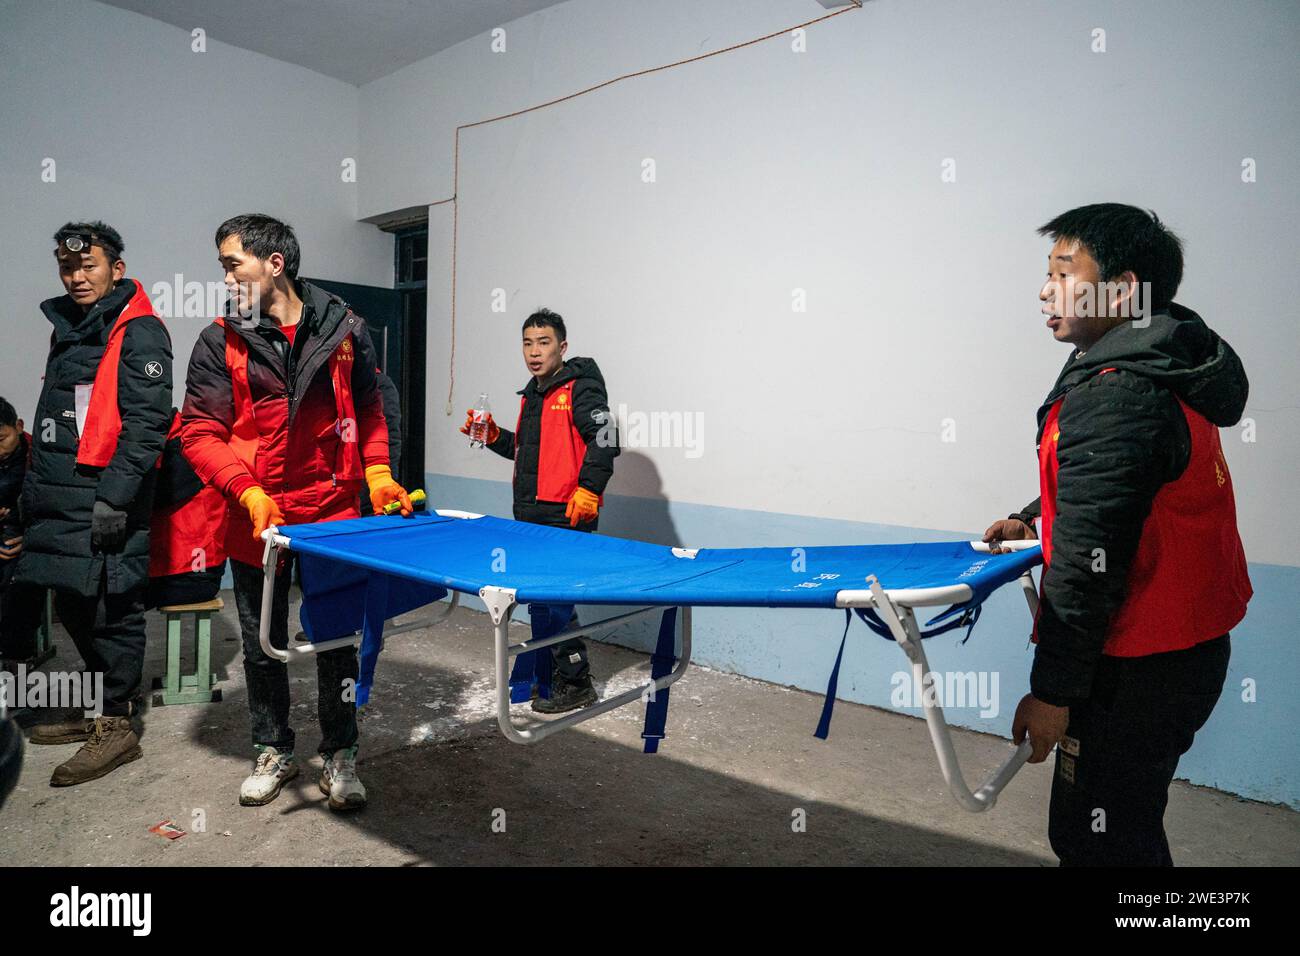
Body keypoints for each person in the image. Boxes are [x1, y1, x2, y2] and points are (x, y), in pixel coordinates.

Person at [984, 203, 1251, 865]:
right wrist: (1033, 514)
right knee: (1122, 830)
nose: (1045, 289)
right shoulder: (1163, 357)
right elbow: (1120, 482)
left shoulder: (1117, 389)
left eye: (1064, 272)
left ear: (1123, 289)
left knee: (1097, 839)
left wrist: (1053, 694)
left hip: (1137, 669)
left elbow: (1086, 568)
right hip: (1185, 652)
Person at [181, 214, 410, 810]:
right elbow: (199, 433)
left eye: (233, 264)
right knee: (263, 644)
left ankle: (340, 754)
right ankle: (274, 748)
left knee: (337, 639)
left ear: (274, 264)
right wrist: (247, 489)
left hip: (333, 515)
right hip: (255, 517)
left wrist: (379, 473)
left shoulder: (344, 331)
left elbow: (372, 408)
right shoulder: (218, 340)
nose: (225, 277)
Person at [14, 221, 172, 785]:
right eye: (67, 267)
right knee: (76, 606)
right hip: (60, 497)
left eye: (88, 266)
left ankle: (118, 727)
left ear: (116, 270)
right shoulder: (71, 328)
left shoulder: (141, 332)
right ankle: (104, 707)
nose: (77, 276)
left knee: (113, 608)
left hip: (105, 500)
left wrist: (115, 498)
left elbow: (148, 424)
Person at [463, 308, 618, 712]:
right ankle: (546, 680)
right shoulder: (534, 393)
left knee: (558, 604)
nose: (534, 351)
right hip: (530, 514)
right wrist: (495, 436)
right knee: (542, 604)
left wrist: (588, 490)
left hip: (566, 514)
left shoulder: (579, 388)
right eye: (528, 343)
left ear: (562, 347)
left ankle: (576, 683)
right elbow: (527, 452)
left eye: (544, 342)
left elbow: (606, 436)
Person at [0, 397, 43, 667]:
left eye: (2, 438)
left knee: (19, 578)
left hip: (29, 539)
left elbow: (51, 507)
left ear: (19, 426)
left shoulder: (39, 458)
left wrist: (30, 538)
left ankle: (14, 656)